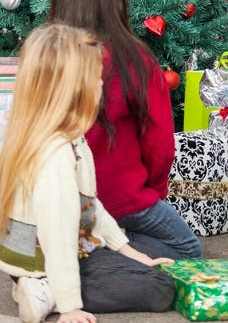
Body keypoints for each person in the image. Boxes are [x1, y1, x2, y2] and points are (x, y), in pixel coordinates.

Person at [0, 23, 175, 323]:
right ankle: (48, 292)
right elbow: (57, 236)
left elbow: (89, 205)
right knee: (160, 288)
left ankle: (41, 286)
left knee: (146, 267)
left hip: (35, 253)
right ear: (74, 91)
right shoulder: (55, 154)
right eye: (96, 79)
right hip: (43, 259)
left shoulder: (62, 137)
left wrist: (128, 252)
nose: (102, 86)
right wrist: (70, 306)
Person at [50, 0, 201, 260]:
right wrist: (154, 192)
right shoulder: (134, 58)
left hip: (59, 199)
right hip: (125, 198)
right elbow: (159, 144)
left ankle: (87, 253)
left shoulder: (47, 56)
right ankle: (115, 250)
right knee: (187, 249)